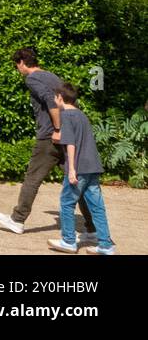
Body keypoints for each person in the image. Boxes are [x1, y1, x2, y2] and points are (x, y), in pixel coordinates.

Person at [0, 49, 95, 241]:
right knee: (76, 179)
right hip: (69, 135)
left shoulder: (32, 79)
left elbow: (51, 101)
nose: (18, 69)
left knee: (33, 177)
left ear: (22, 62)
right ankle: (92, 229)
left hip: (51, 136)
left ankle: (17, 220)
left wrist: (57, 129)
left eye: (17, 65)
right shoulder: (52, 76)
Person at [49, 84, 116, 254]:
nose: (54, 100)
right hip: (93, 166)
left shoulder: (66, 116)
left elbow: (71, 144)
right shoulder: (81, 115)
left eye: (55, 97)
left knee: (67, 202)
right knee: (97, 207)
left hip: (79, 168)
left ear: (60, 98)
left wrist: (71, 169)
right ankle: (106, 245)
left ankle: (68, 241)